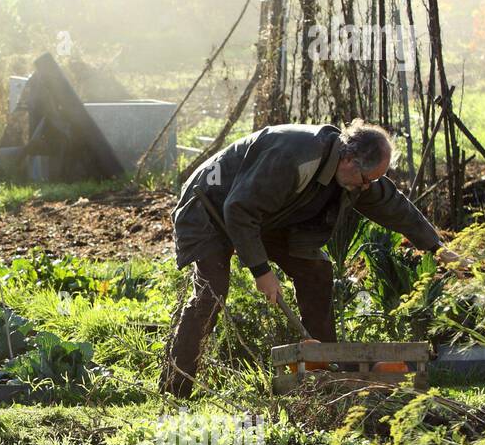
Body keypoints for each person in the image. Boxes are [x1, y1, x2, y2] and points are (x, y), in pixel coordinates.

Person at [162, 119, 468, 398]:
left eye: (370, 182)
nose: (365, 187)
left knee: (317, 273)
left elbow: (395, 207)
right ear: (349, 159)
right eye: (364, 179)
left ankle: (324, 379)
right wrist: (261, 271)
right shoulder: (296, 156)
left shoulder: (355, 176)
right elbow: (239, 210)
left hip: (264, 214)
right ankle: (175, 389)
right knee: (210, 295)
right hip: (209, 205)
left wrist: (438, 249)